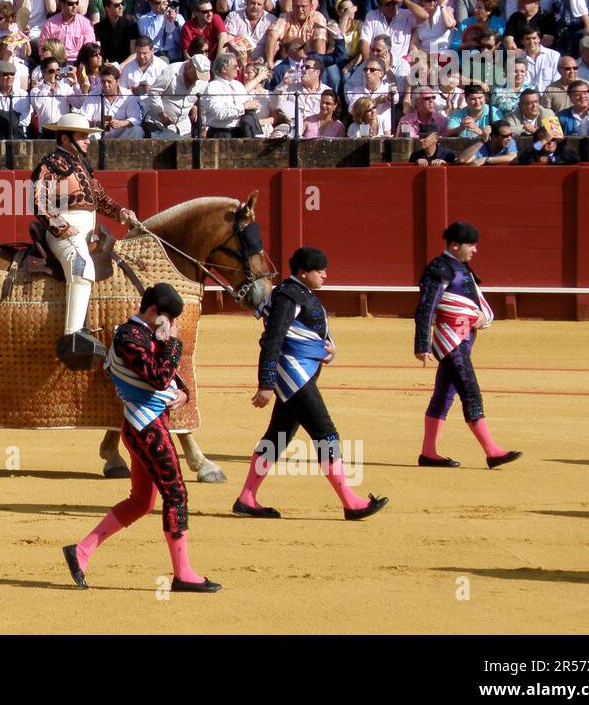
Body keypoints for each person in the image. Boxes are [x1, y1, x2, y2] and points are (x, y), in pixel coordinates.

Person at [63, 282, 220, 594]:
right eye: (170, 319)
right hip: (144, 427)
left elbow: (169, 378)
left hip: (146, 425)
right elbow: (159, 375)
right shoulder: (129, 336)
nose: (173, 326)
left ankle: (81, 551)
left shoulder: (145, 334)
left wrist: (183, 394)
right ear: (153, 312)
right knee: (175, 494)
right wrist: (174, 343)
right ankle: (183, 573)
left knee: (141, 501)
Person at [234, 246, 388, 520]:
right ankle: (350, 501)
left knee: (278, 436)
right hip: (293, 376)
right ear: (304, 273)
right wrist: (266, 383)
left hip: (299, 373)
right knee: (326, 433)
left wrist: (329, 350)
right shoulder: (288, 296)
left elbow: (313, 333)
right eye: (320, 270)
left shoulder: (299, 293)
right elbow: (273, 339)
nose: (325, 275)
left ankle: (247, 498)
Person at [31, 111, 138, 369]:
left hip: (86, 231)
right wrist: (60, 226)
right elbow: (39, 201)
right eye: (83, 136)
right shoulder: (50, 164)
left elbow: (100, 199)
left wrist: (121, 212)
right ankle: (73, 336)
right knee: (82, 267)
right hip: (64, 230)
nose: (89, 141)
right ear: (66, 139)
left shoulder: (82, 166)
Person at [414, 222, 522, 469]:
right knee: (470, 391)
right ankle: (492, 451)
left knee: (444, 394)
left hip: (463, 337)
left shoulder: (461, 268)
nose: (475, 250)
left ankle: (428, 453)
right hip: (450, 340)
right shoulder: (439, 269)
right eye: (471, 245)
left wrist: (483, 317)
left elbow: (473, 302)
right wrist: (422, 343)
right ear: (454, 245)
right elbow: (426, 307)